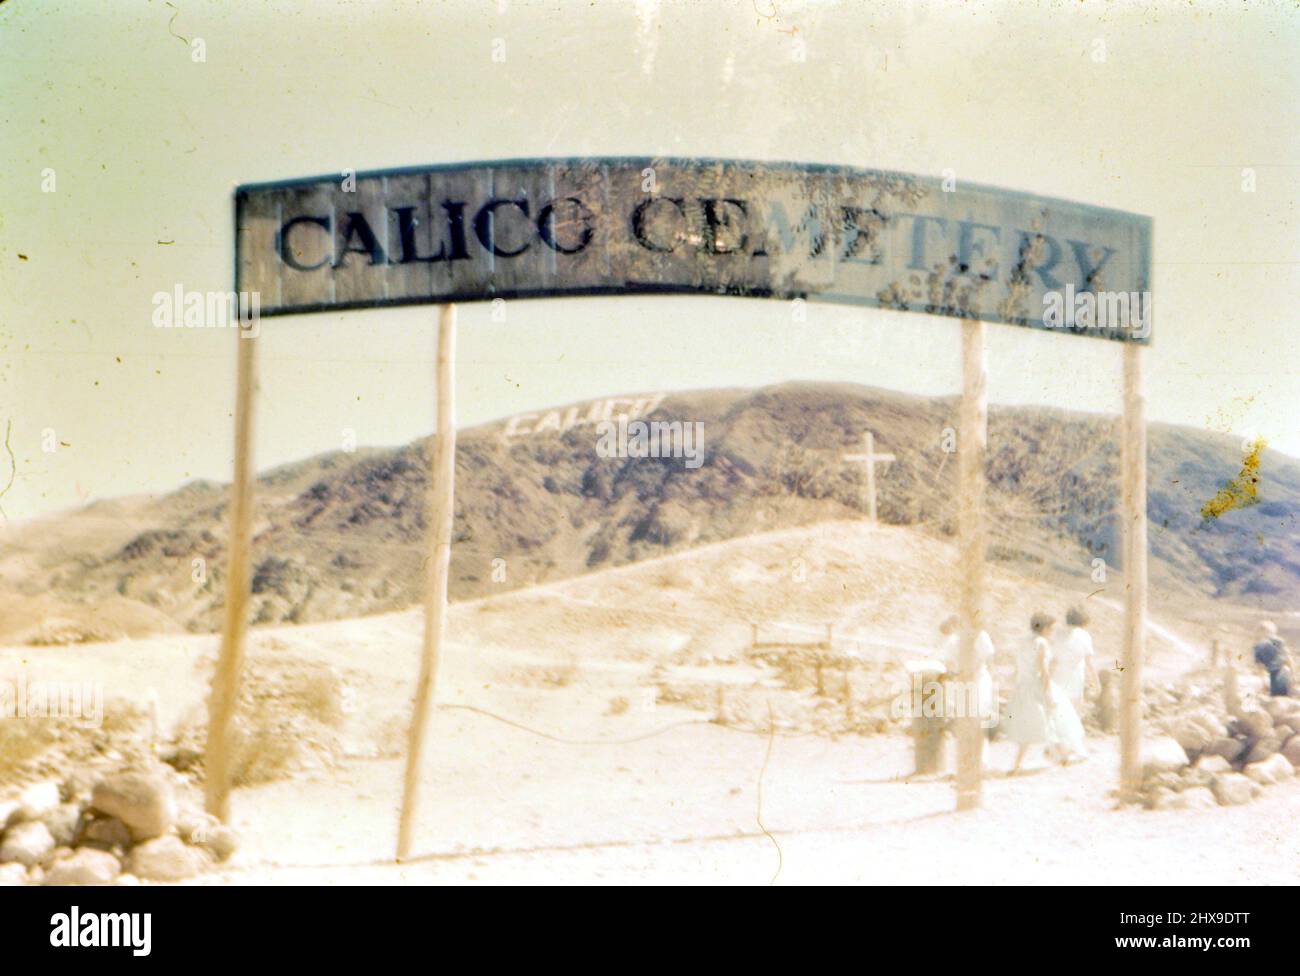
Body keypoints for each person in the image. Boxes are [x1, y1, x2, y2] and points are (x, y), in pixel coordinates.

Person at [1003, 612, 1085, 772]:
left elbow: (1019, 667)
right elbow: (1043, 670)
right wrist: (1048, 692)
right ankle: (1064, 756)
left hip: (1024, 686)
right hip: (1038, 686)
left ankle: (1019, 763)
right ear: (1044, 628)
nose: (1053, 631)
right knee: (1052, 719)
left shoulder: (1024, 642)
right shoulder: (1041, 643)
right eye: (1051, 628)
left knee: (1037, 723)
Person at [938, 615, 997, 733]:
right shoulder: (953, 640)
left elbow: (989, 660)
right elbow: (948, 664)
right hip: (965, 680)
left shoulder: (980, 636)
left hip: (976, 679)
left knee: (975, 714)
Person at [1052, 605, 1099, 716]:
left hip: (1057, 678)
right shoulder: (1084, 636)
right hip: (1075, 679)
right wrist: (1096, 682)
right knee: (1073, 714)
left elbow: (1053, 659)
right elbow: (1089, 663)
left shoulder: (1057, 633)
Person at [1253, 621, 1294, 697]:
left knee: (1279, 694)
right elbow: (1260, 667)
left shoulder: (1277, 643)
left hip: (1281, 671)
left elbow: (1287, 658)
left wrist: (1292, 675)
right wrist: (1263, 682)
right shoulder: (1258, 648)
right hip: (1275, 673)